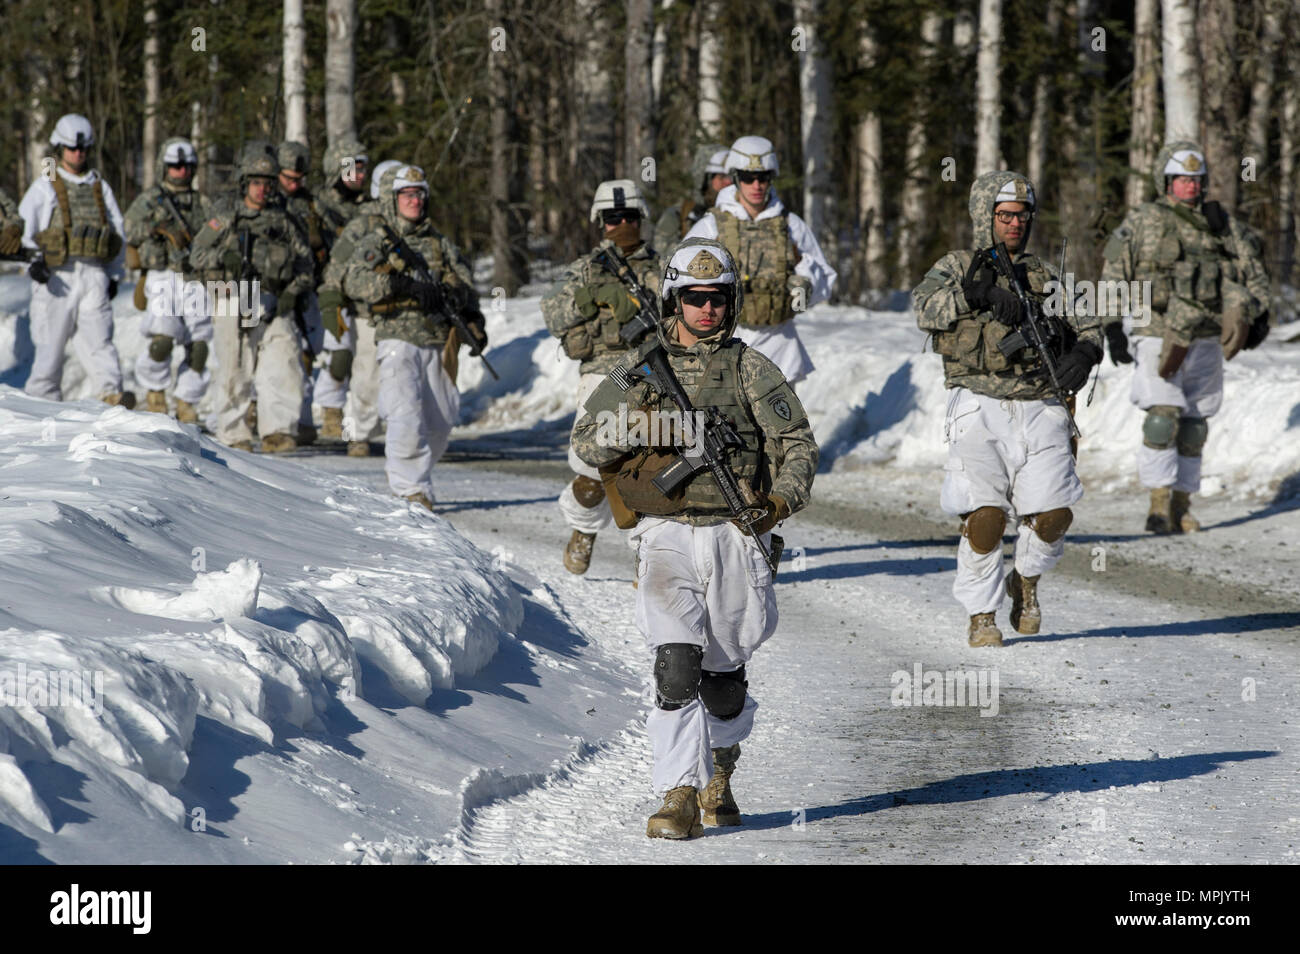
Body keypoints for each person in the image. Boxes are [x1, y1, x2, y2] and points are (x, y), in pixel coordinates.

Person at [571, 237, 818, 839]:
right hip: (666, 533)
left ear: (731, 302)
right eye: (694, 298)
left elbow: (798, 448)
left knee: (724, 680)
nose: (705, 310)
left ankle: (721, 769)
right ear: (674, 301)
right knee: (676, 664)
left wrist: (778, 503)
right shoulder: (641, 370)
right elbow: (586, 442)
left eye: (717, 299)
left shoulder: (751, 369)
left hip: (736, 535)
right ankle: (678, 790)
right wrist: (657, 423)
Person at [913, 171, 1102, 647]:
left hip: (1041, 405)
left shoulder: (1045, 275)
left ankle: (1026, 581)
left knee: (1055, 514)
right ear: (985, 216)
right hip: (978, 403)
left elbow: (1090, 321)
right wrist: (973, 294)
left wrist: (1084, 353)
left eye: (1022, 215)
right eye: (1005, 215)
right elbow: (923, 308)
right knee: (986, 517)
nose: (1015, 223)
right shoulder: (957, 265)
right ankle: (982, 613)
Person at [1100, 141, 1270, 534]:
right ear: (1166, 182)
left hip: (1209, 335)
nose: (1190, 186)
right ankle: (1158, 504)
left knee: (1194, 425)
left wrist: (1257, 315)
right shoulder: (1143, 220)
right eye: (1181, 179)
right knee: (1163, 418)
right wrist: (1112, 326)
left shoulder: (1222, 224)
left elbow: (1255, 273)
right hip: (1158, 331)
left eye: (1196, 179)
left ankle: (1182, 504)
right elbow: (1113, 275)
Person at [338, 164, 487, 508]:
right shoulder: (379, 240)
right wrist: (400, 284)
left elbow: (465, 285)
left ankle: (413, 475)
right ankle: (410, 489)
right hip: (397, 336)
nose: (414, 201)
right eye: (407, 194)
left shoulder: (440, 244)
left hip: (437, 339)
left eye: (419, 194)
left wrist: (473, 321)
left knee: (442, 420)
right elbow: (354, 281)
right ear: (393, 199)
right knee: (403, 412)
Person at [541, 179, 663, 574]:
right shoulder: (583, 270)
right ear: (600, 221)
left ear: (641, 218)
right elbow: (551, 314)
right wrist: (589, 296)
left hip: (653, 369)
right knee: (594, 470)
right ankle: (584, 530)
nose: (622, 223)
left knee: (653, 467)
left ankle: (650, 558)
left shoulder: (666, 268)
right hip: (603, 373)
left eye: (630, 216)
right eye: (614, 217)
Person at [188, 140, 314, 452]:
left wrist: (291, 293)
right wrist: (226, 261)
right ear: (245, 183)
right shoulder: (227, 217)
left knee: (282, 362)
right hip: (234, 296)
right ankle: (235, 432)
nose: (262, 190)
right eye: (256, 183)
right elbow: (197, 256)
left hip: (273, 300)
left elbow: (305, 264)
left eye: (268, 184)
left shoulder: (283, 220)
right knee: (235, 364)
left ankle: (278, 430)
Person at [683, 135, 836, 386]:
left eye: (763, 177)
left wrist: (807, 283)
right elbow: (680, 276)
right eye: (748, 177)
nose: (756, 185)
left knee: (781, 422)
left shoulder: (790, 225)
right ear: (735, 178)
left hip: (779, 343)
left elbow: (824, 278)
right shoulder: (711, 226)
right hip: (724, 341)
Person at [19, 113, 132, 406]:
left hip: (94, 273)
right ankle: (40, 407)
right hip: (57, 276)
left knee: (100, 342)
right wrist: (32, 262)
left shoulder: (100, 187)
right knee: (50, 349)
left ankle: (111, 397)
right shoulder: (46, 184)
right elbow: (24, 227)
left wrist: (115, 275)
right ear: (60, 148)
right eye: (71, 148)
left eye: (83, 148)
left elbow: (116, 232)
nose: (78, 153)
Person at [122, 137, 213, 422]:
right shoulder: (151, 199)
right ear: (165, 167)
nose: (181, 171)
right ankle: (155, 393)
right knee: (162, 341)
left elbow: (218, 230)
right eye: (175, 166)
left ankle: (187, 400)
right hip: (162, 276)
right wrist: (158, 227)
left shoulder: (202, 202)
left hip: (194, 277)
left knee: (198, 346)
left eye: (186, 166)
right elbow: (128, 228)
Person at [318, 161, 402, 457]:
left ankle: (403, 433)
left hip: (408, 316)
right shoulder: (362, 225)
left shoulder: (418, 226)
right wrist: (331, 301)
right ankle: (360, 434)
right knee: (366, 376)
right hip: (368, 313)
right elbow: (337, 266)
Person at [652, 144, 728, 255]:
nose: (728, 182)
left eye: (731, 176)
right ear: (704, 179)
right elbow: (663, 261)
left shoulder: (744, 215)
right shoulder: (678, 216)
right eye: (721, 177)